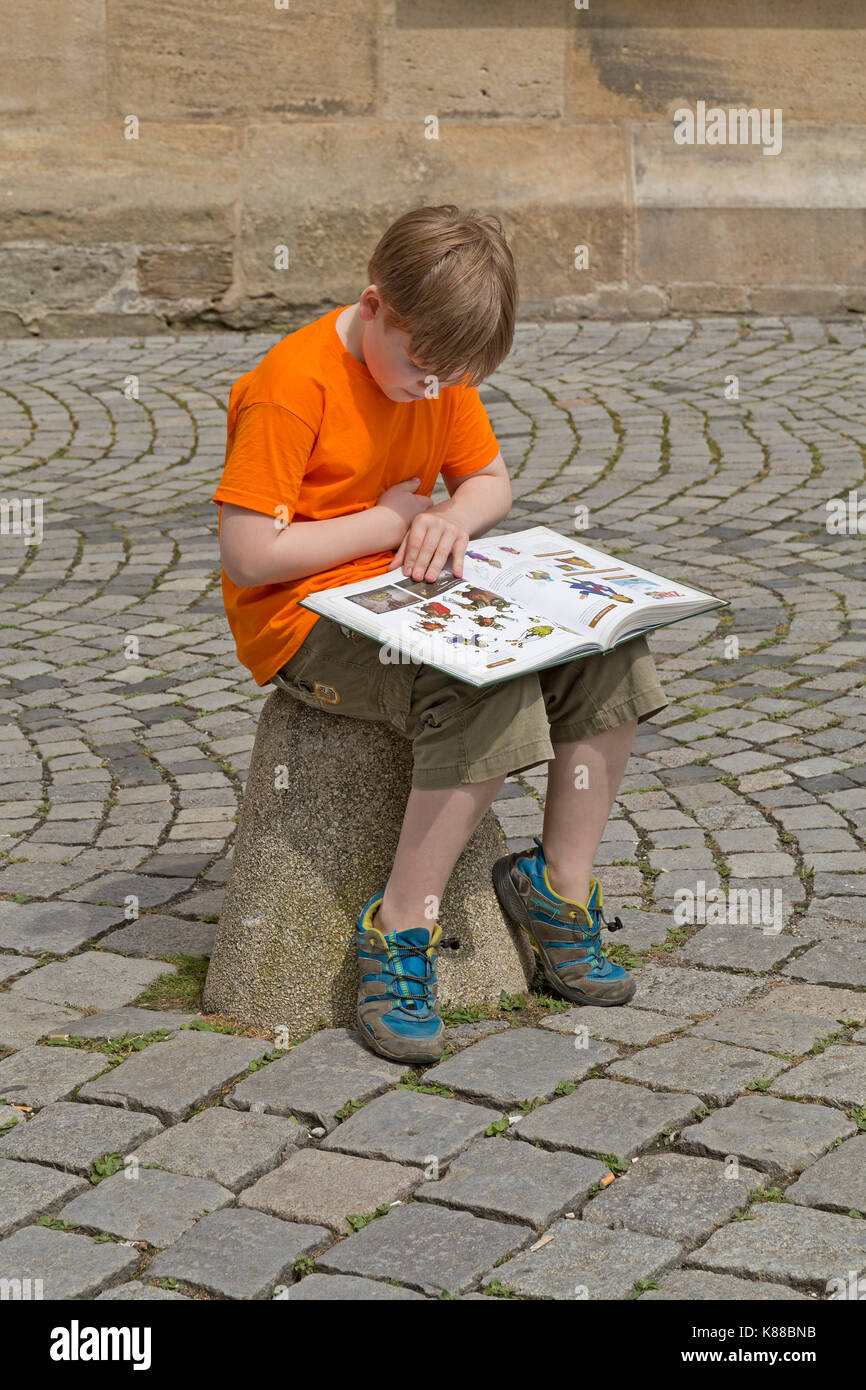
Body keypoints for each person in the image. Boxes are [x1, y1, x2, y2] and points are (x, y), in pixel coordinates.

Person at [213, 205, 668, 1065]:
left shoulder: (439, 373)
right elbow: (248, 554)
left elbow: (489, 480)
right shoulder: (292, 385)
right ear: (374, 303)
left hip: (412, 593)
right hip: (304, 621)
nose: (430, 390)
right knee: (480, 690)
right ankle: (400, 929)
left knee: (611, 652)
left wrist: (457, 513)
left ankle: (557, 888)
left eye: (451, 378)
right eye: (420, 368)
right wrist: (386, 521)